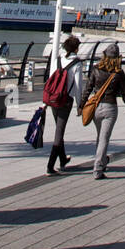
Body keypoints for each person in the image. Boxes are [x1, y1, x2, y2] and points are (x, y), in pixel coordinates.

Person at [80, 42, 125, 179]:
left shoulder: (96, 69)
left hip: (96, 107)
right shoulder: (118, 73)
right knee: (104, 139)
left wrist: (81, 105)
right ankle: (98, 169)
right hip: (110, 107)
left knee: (100, 136)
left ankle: (102, 162)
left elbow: (88, 88)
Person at [45, 34, 84, 175]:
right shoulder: (77, 63)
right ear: (76, 48)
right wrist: (80, 105)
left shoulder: (58, 59)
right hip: (66, 100)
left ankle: (62, 159)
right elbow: (79, 87)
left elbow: (51, 78)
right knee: (59, 132)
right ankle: (50, 166)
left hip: (53, 98)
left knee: (58, 129)